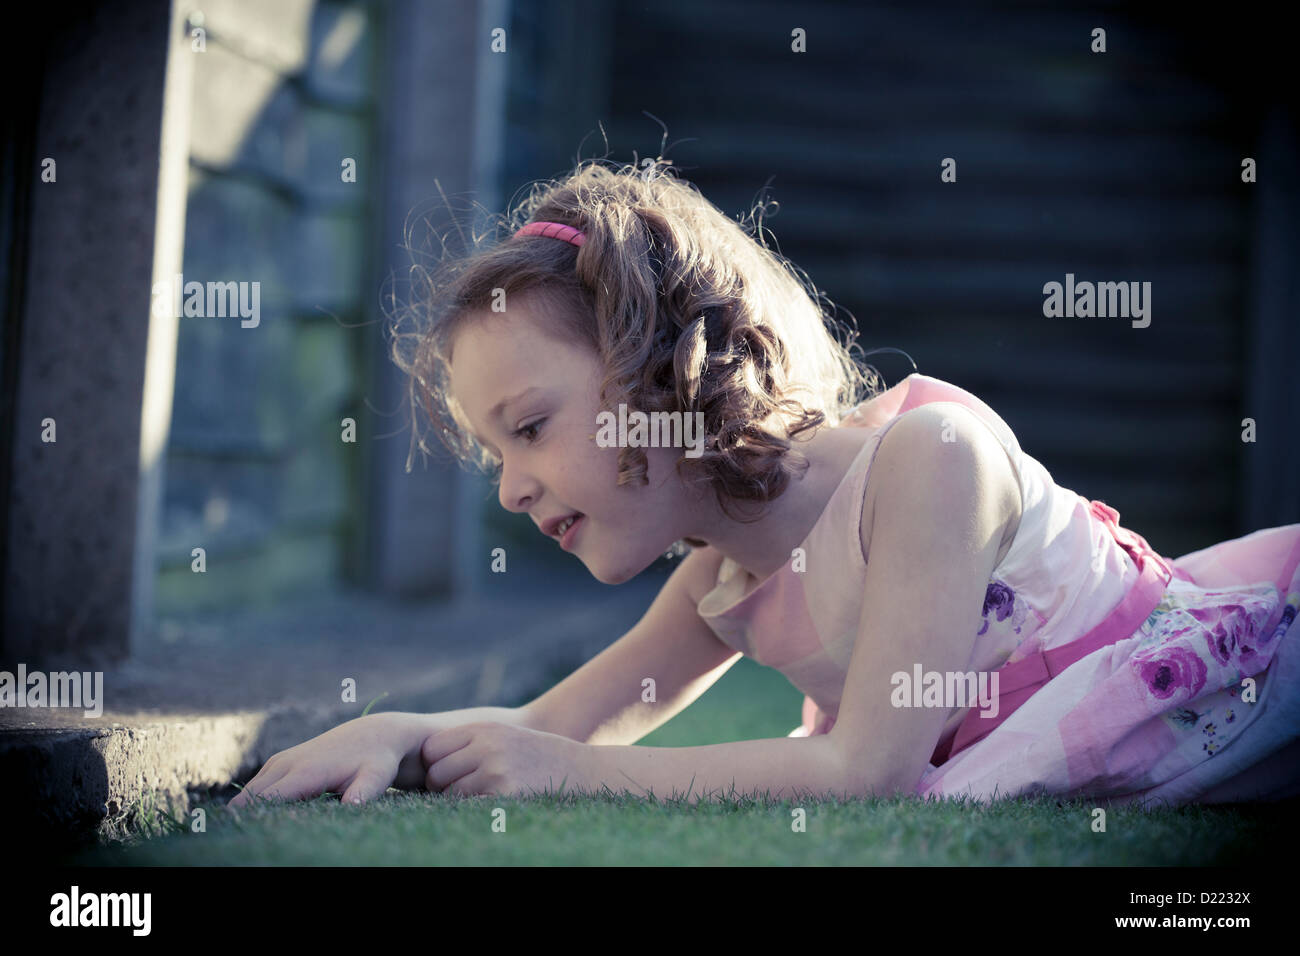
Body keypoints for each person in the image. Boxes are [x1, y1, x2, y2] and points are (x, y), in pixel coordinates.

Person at [228, 159, 1300, 811]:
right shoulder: (718, 582)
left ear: (662, 362)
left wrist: (571, 775)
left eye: (530, 428)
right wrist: (400, 730)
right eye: (495, 454)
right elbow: (555, 725)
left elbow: (866, 772)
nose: (509, 489)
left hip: (1228, 696)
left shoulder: (930, 465)